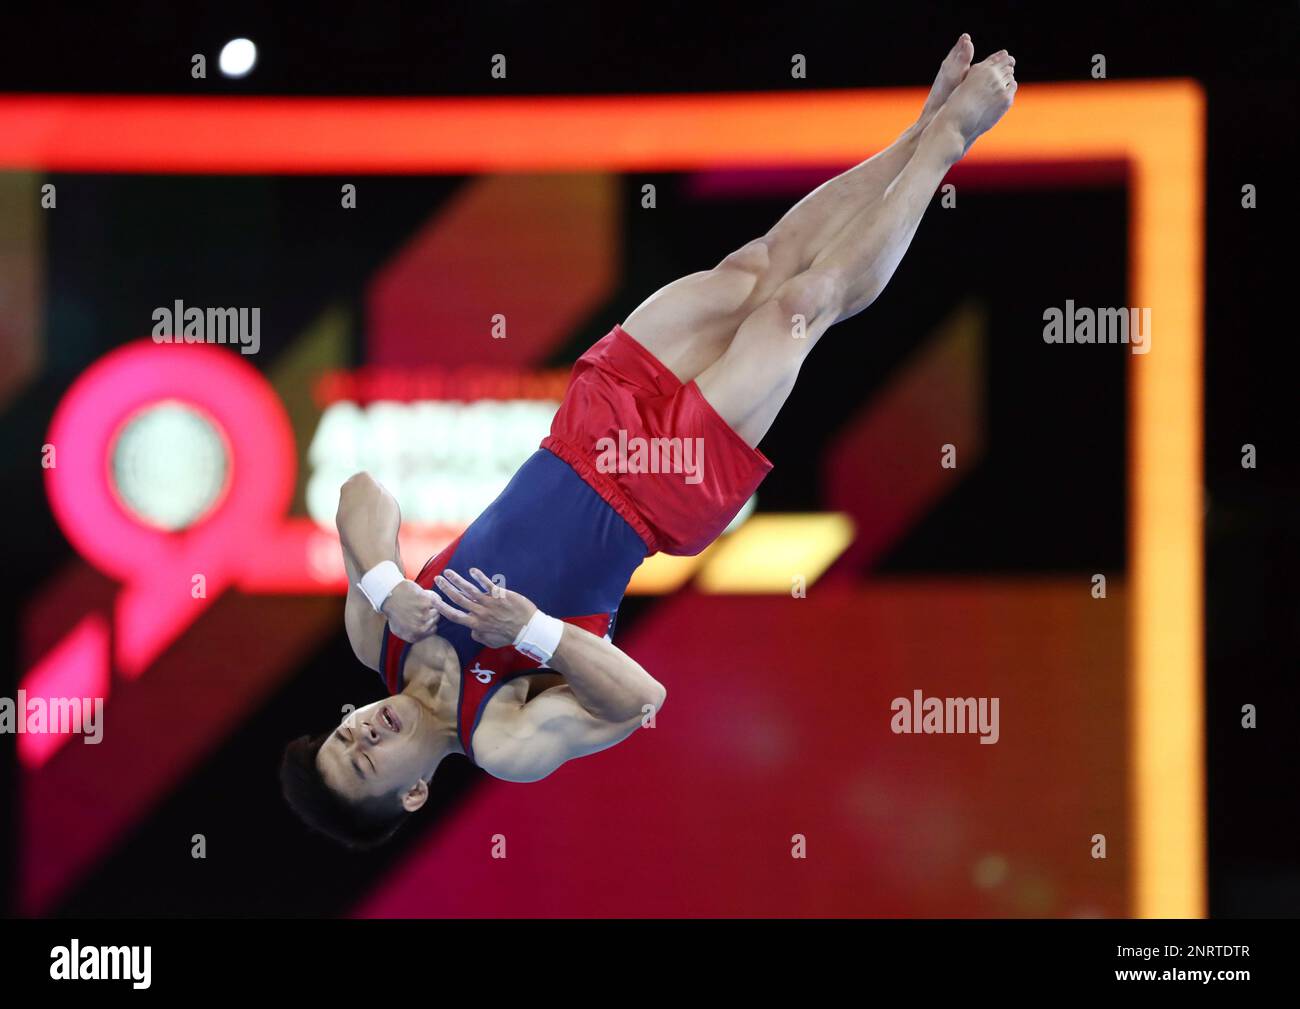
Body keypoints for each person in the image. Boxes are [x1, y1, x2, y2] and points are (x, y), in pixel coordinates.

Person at [280, 35, 1017, 848]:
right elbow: (639, 701)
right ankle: (951, 141)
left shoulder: (377, 634)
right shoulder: (500, 739)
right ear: (412, 793)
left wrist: (384, 581)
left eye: (345, 735)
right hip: (658, 494)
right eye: (364, 765)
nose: (366, 735)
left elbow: (360, 493)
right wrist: (531, 629)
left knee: (758, 267)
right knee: (801, 306)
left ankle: (921, 127)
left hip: (584, 426)